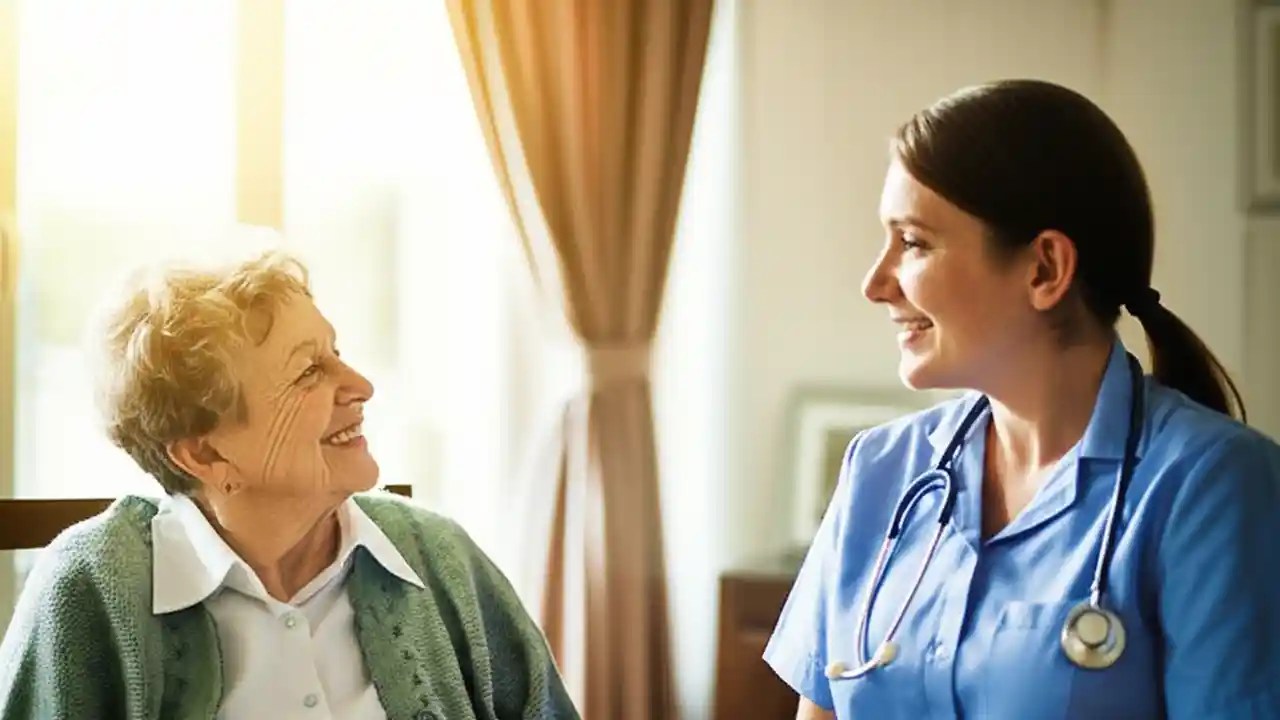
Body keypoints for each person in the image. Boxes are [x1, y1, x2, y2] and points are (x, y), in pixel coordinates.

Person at [764, 79, 1280, 719]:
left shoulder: (1213, 487)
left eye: (914, 242)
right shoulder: (879, 472)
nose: (876, 284)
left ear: (1045, 270)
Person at [0, 249, 579, 720]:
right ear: (205, 451)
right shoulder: (89, 588)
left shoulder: (438, 557)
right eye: (309, 371)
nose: (360, 385)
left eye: (337, 354)